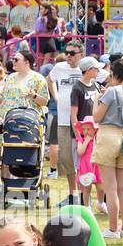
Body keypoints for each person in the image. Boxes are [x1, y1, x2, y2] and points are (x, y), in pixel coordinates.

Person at [91, 58, 123, 239]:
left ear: (116, 74)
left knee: (110, 188)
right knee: (122, 188)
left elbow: (96, 117)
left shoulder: (111, 92)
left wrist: (97, 99)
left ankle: (112, 229)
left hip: (108, 136)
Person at [47, 43, 84, 199]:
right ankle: (72, 194)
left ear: (81, 54)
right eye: (66, 52)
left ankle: (83, 195)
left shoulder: (87, 67)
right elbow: (49, 80)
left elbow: (104, 79)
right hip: (63, 119)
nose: (68, 55)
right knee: (67, 160)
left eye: (72, 53)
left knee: (83, 160)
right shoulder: (60, 67)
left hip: (83, 121)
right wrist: (56, 97)